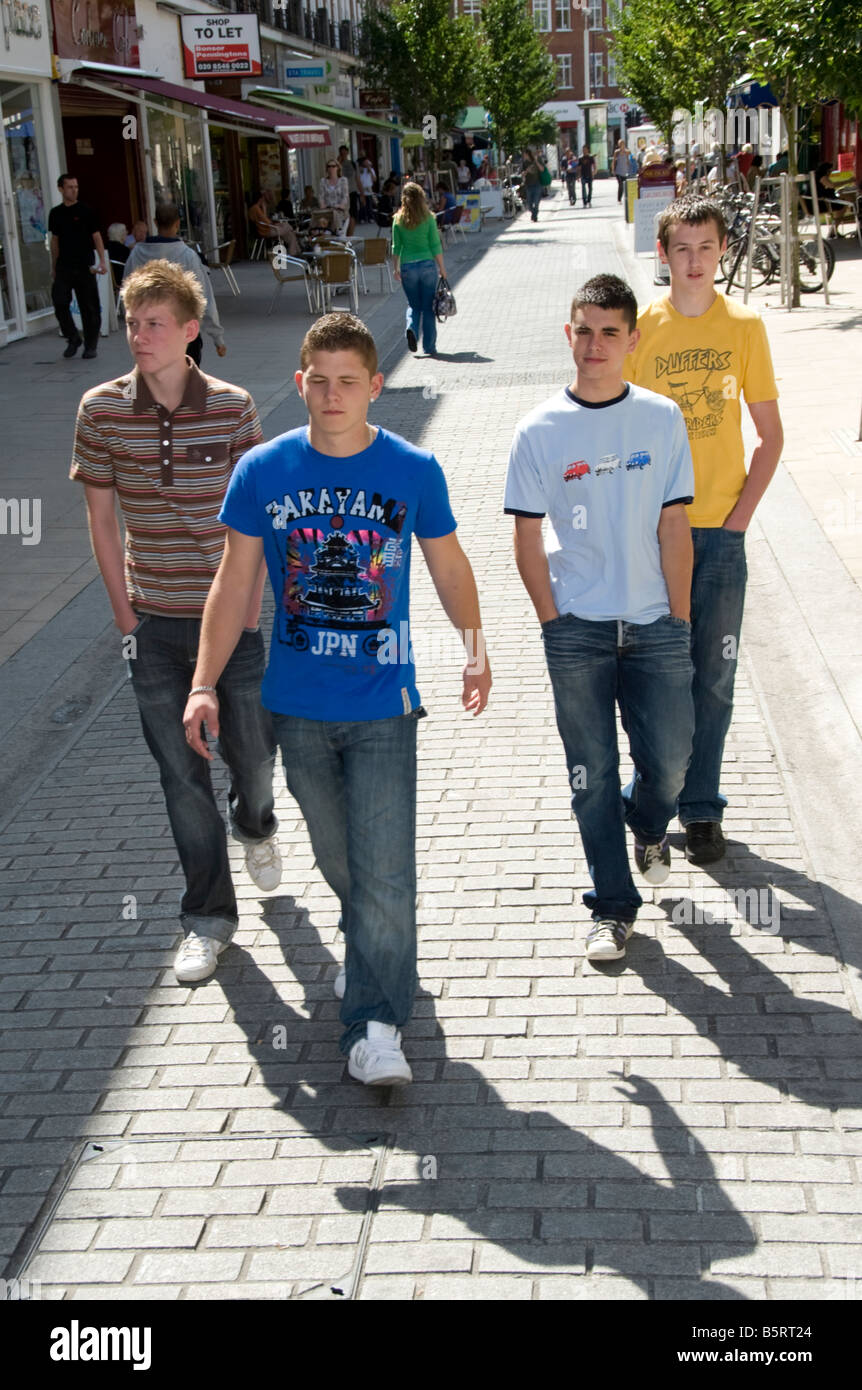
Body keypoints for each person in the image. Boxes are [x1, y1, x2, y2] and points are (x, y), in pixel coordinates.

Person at [183, 312, 491, 1084]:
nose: (331, 394)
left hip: (386, 703)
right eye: (317, 380)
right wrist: (201, 682)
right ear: (299, 383)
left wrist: (475, 646)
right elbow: (234, 586)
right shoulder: (262, 470)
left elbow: (449, 564)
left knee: (385, 869)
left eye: (348, 380)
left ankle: (376, 1027)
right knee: (339, 858)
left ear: (375, 387)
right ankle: (372, 950)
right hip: (296, 703)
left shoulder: (413, 469)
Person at [69, 259, 282, 984]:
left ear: (190, 332)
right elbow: (101, 521)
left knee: (253, 761)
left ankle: (255, 822)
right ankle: (208, 918)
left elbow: (253, 520)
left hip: (232, 620)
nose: (139, 335)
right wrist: (125, 614)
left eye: (154, 323)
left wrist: (248, 612)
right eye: (131, 322)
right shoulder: (100, 410)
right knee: (179, 778)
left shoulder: (232, 406)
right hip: (154, 625)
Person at [505, 274, 695, 964]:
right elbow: (526, 539)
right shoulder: (538, 430)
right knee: (589, 771)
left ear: (632, 340)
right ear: (568, 335)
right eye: (583, 330)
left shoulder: (661, 417)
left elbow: (676, 527)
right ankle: (612, 907)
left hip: (654, 626)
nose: (594, 344)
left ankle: (648, 822)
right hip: (578, 628)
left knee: (671, 762)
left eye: (609, 331)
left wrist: (677, 618)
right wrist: (554, 622)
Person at [626, 195, 783, 865]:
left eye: (706, 248)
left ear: (723, 252)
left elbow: (771, 438)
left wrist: (737, 521)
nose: (694, 262)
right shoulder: (641, 331)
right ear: (663, 254)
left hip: (720, 538)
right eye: (681, 249)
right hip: (654, 538)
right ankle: (651, 802)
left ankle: (702, 807)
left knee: (712, 677)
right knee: (656, 678)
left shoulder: (744, 327)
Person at [123, 201, 227, 367]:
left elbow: (126, 292)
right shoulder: (188, 256)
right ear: (178, 224)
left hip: (149, 331)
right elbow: (204, 297)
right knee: (185, 381)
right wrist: (218, 338)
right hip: (182, 332)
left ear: (155, 223)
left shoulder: (137, 254)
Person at [48, 173, 107, 360]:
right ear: (61, 189)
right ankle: (72, 337)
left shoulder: (86, 211)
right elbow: (55, 241)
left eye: (76, 187)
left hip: (84, 265)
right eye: (70, 187)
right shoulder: (56, 213)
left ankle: (91, 345)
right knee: (59, 301)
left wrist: (102, 260)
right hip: (64, 265)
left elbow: (96, 236)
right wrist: (54, 266)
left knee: (89, 306)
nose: (74, 190)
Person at [392, 181, 447, 357]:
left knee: (414, 305)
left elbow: (396, 247)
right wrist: (442, 268)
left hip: (407, 266)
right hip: (427, 266)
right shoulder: (429, 218)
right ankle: (429, 347)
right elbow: (435, 245)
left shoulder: (398, 220)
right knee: (429, 307)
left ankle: (412, 328)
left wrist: (396, 268)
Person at [248, 189, 301, 258]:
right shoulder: (256, 208)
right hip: (266, 231)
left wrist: (276, 224)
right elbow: (267, 221)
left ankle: (294, 253)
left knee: (290, 235)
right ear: (260, 199)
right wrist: (264, 209)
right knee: (288, 227)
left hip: (265, 229)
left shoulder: (253, 208)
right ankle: (294, 253)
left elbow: (265, 221)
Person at [318, 160, 351, 235]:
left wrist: (341, 205)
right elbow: (321, 196)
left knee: (336, 216)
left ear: (337, 168)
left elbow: (345, 196)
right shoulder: (323, 181)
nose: (331, 168)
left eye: (333, 166)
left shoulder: (343, 180)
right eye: (329, 166)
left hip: (339, 210)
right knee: (319, 219)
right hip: (327, 210)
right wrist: (322, 205)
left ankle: (337, 231)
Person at [338, 144, 361, 230]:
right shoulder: (337, 165)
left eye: (344, 153)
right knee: (343, 215)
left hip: (352, 191)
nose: (343, 155)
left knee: (353, 215)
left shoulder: (353, 164)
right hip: (342, 193)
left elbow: (357, 179)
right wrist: (338, 162)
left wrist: (362, 193)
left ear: (347, 153)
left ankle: (350, 234)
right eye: (341, 153)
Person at [521, 149, 542, 222]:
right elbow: (522, 173)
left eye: (525, 154)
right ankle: (534, 213)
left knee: (536, 203)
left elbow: (542, 169)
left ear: (528, 154)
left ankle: (535, 216)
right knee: (529, 205)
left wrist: (536, 161)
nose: (524, 156)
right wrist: (527, 171)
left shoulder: (536, 161)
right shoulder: (524, 163)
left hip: (537, 184)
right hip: (528, 185)